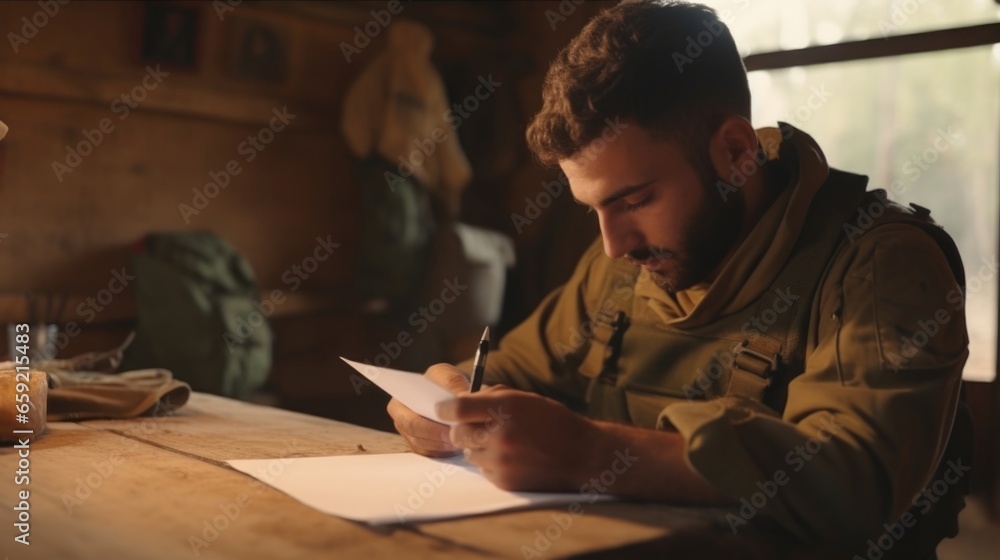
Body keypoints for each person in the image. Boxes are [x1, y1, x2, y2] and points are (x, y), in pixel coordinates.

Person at [386, 1, 971, 557]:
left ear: (735, 152)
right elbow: (510, 371)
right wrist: (447, 400)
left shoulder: (881, 264)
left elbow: (854, 483)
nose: (613, 246)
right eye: (594, 209)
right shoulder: (622, 267)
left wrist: (590, 453)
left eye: (635, 200)